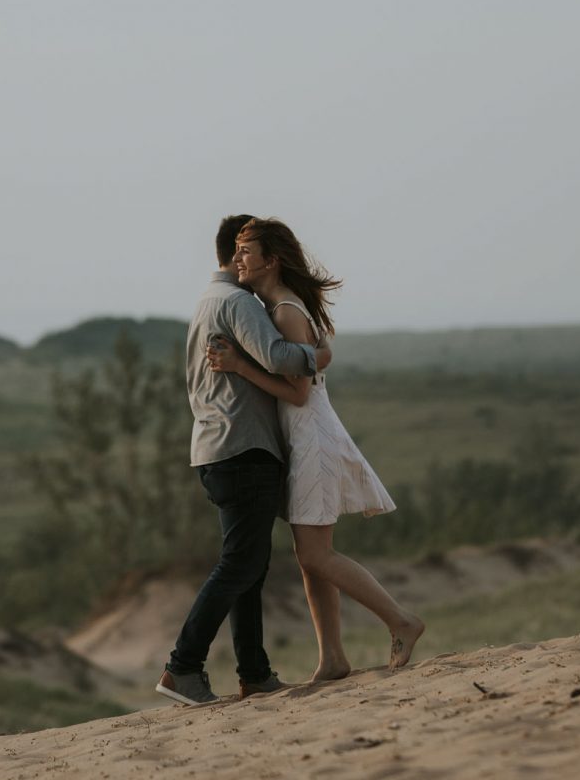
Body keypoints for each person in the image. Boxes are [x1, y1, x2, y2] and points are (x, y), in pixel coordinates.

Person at [207, 217, 424, 680]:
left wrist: (240, 368)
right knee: (312, 558)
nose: (237, 259)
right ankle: (332, 659)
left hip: (311, 439)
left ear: (271, 260)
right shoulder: (278, 306)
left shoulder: (285, 311)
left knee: (315, 555)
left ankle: (401, 620)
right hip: (301, 439)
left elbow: (299, 393)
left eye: (246, 251)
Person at [156, 214, 334, 706]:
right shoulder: (237, 302)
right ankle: (182, 667)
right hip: (242, 447)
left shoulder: (208, 300)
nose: (243, 258)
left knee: (249, 566)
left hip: (217, 447)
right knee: (240, 564)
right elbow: (279, 356)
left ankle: (254, 673)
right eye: (243, 249)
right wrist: (319, 355)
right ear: (234, 252)